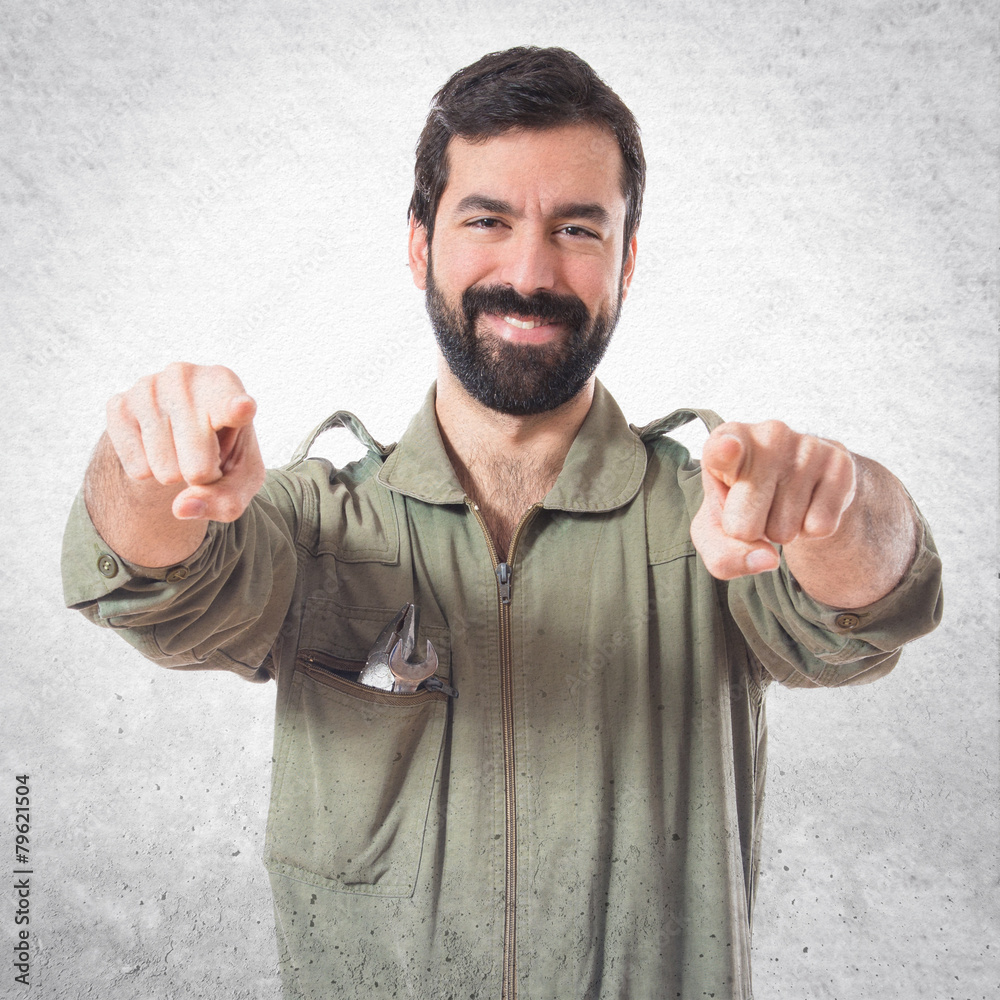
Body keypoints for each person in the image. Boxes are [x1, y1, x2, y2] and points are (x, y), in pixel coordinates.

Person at [62, 46, 942, 1000]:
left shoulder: (717, 523)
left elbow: (870, 610)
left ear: (626, 261)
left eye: (577, 229)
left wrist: (835, 504)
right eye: (488, 220)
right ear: (419, 243)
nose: (530, 273)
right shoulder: (320, 527)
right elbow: (150, 584)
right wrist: (151, 463)